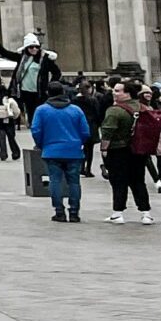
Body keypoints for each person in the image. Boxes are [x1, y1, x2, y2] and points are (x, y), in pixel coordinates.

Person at [31, 88, 93, 223]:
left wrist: (41, 144)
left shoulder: (41, 110)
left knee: (55, 181)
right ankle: (74, 212)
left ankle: (59, 212)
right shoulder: (76, 110)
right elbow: (85, 131)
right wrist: (78, 142)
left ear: (48, 93)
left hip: (51, 150)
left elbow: (36, 130)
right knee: (74, 182)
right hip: (73, 151)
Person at [97, 85, 154, 225]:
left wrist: (104, 149)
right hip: (139, 150)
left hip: (118, 150)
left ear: (128, 94)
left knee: (118, 182)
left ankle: (118, 213)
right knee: (138, 181)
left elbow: (107, 131)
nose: (114, 93)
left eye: (118, 91)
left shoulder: (115, 110)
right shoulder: (145, 108)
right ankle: (146, 213)